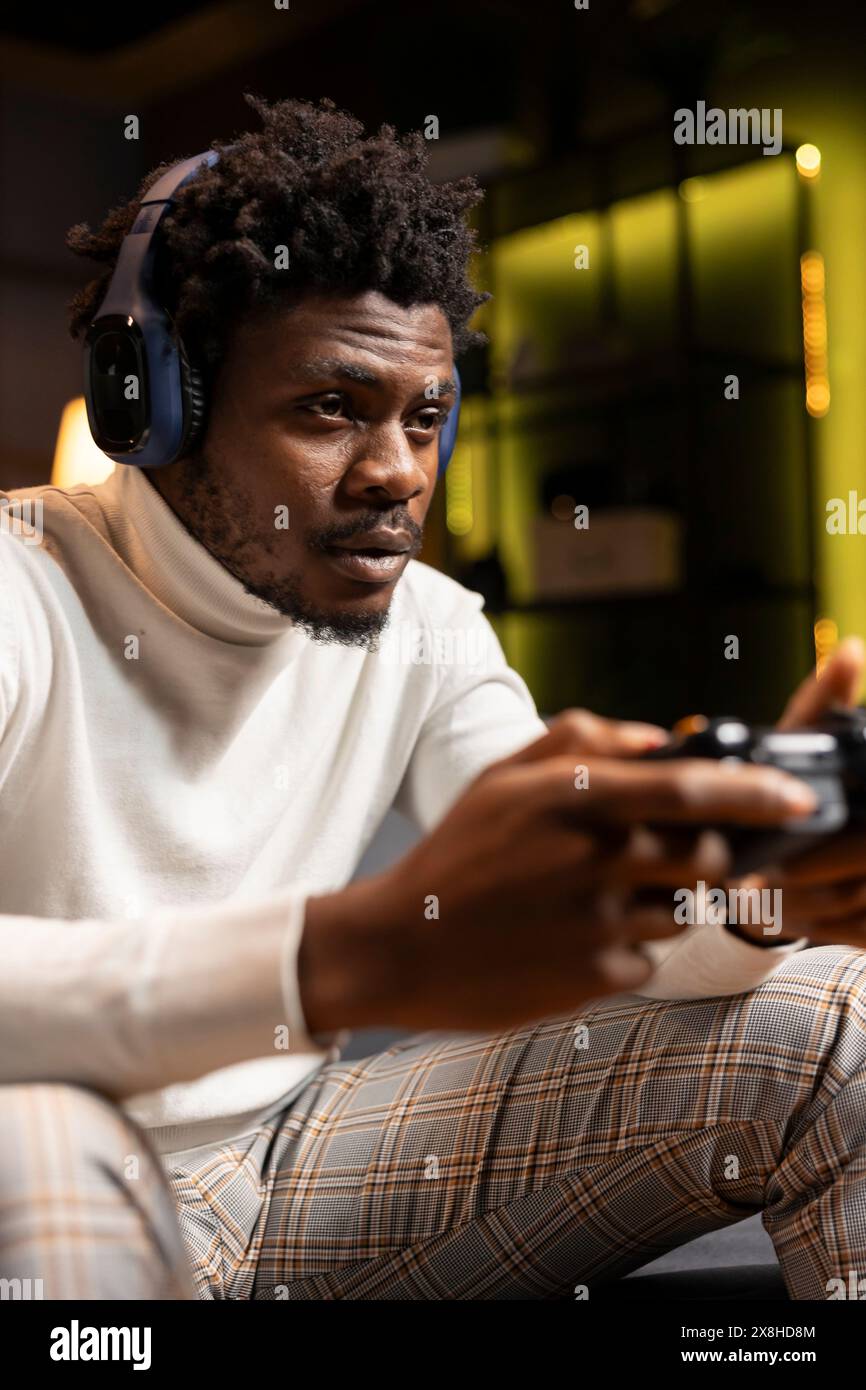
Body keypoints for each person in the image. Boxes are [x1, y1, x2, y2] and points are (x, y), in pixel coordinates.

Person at [1, 95, 865, 1301]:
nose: (399, 472)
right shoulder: (19, 589)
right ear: (154, 405)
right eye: (327, 408)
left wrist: (761, 895)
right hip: (51, 1165)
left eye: (423, 415)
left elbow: (599, 928)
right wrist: (334, 962)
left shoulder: (430, 627)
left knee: (842, 1013)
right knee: (35, 1139)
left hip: (302, 1164)